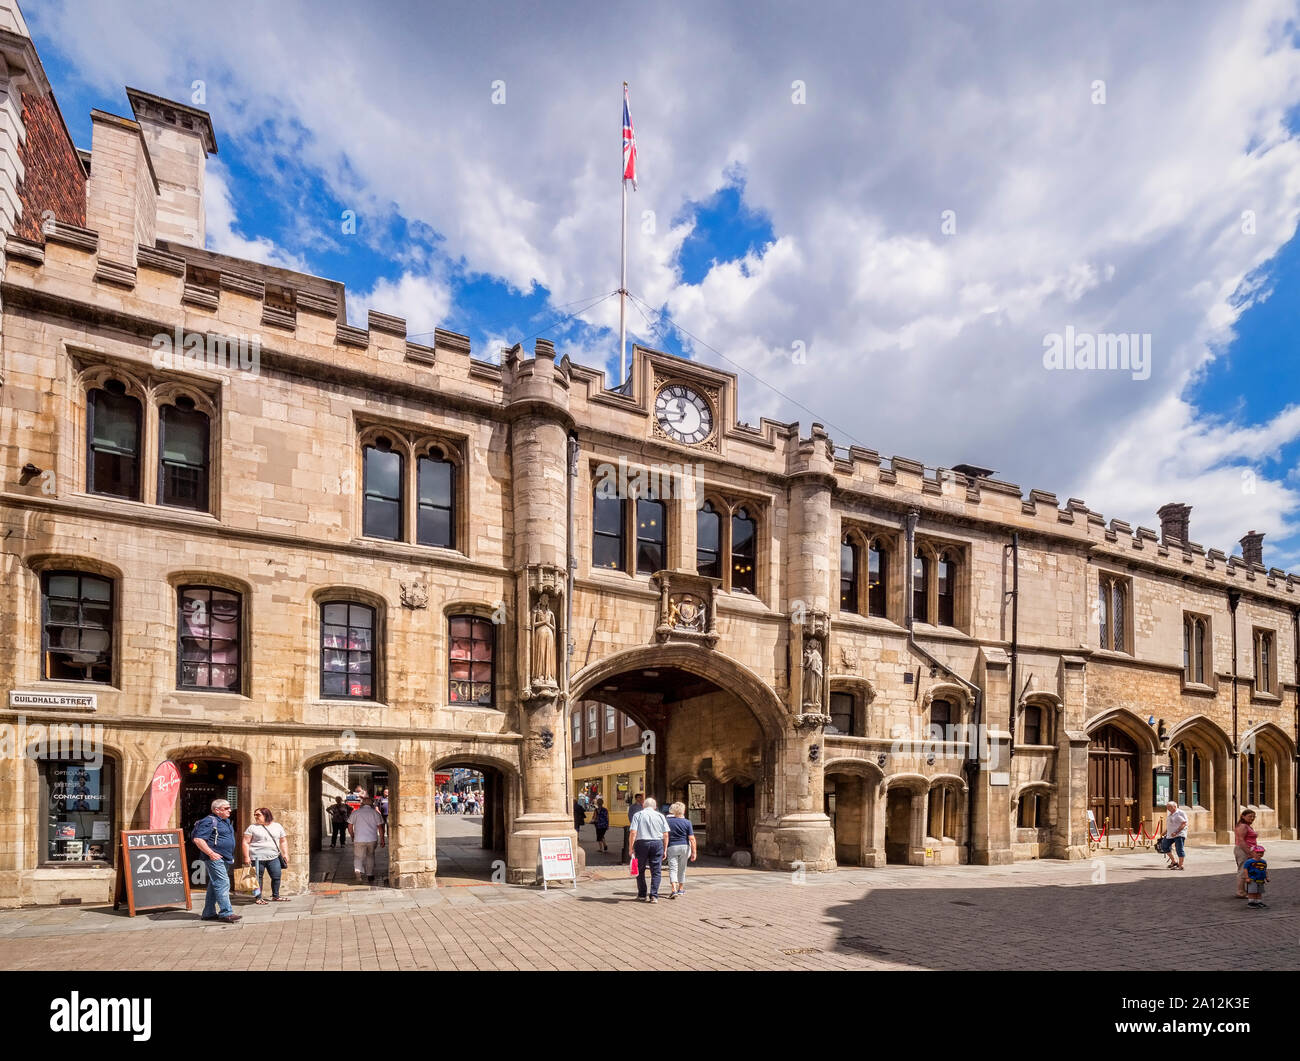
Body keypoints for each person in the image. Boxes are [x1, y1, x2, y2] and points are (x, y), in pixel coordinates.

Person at [191, 798, 240, 923]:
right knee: (223, 883)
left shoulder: (225, 821)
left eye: (229, 807)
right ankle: (226, 913)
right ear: (217, 810)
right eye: (226, 808)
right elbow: (198, 839)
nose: (230, 810)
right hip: (215, 858)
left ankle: (208, 913)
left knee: (214, 885)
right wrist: (211, 853)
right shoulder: (209, 821)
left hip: (225, 857)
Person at [242, 806, 290, 903]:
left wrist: (285, 853)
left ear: (266, 815)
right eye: (255, 815)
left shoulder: (277, 826)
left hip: (274, 857)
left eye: (258, 815)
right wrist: (246, 857)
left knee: (276, 876)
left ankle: (276, 896)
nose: (255, 817)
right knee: (257, 879)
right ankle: (258, 898)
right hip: (257, 858)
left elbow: (283, 841)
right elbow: (245, 842)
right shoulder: (252, 828)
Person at [628, 796, 669, 903]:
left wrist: (631, 847)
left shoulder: (638, 815)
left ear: (643, 806)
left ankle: (642, 894)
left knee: (640, 869)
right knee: (656, 870)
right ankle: (654, 895)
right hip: (657, 843)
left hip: (641, 843)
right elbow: (665, 834)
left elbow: (633, 832)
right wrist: (665, 849)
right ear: (655, 807)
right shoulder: (660, 816)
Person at [348, 795, 386, 883]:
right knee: (370, 856)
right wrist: (382, 839)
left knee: (358, 856)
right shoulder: (375, 813)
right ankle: (370, 874)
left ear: (362, 803)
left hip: (359, 839)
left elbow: (350, 825)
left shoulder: (355, 813)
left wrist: (352, 835)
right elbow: (380, 828)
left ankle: (357, 870)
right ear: (372, 804)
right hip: (372, 839)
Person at [664, 801, 697, 898]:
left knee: (673, 868)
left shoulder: (668, 821)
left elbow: (665, 836)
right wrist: (694, 852)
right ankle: (681, 889)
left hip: (672, 846)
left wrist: (664, 849)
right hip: (684, 847)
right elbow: (691, 838)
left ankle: (674, 889)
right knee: (682, 869)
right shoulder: (687, 822)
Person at [1234, 809, 1258, 898]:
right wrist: (1249, 852)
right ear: (1243, 816)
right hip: (1243, 850)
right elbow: (1241, 841)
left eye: (1253, 816)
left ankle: (1246, 891)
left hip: (1248, 850)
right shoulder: (1243, 826)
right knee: (1243, 870)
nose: (1252, 818)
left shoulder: (1247, 826)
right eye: (1250, 816)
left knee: (1248, 870)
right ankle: (1240, 892)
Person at [1163, 800, 1188, 870]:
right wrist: (1165, 832)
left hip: (1179, 834)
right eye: (1167, 807)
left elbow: (1184, 823)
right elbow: (1171, 824)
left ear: (1174, 806)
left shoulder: (1180, 813)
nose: (1168, 808)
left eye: (1169, 807)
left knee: (1179, 849)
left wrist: (1176, 832)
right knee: (1164, 846)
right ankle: (1174, 862)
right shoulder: (1170, 813)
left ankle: (1181, 865)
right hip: (1170, 834)